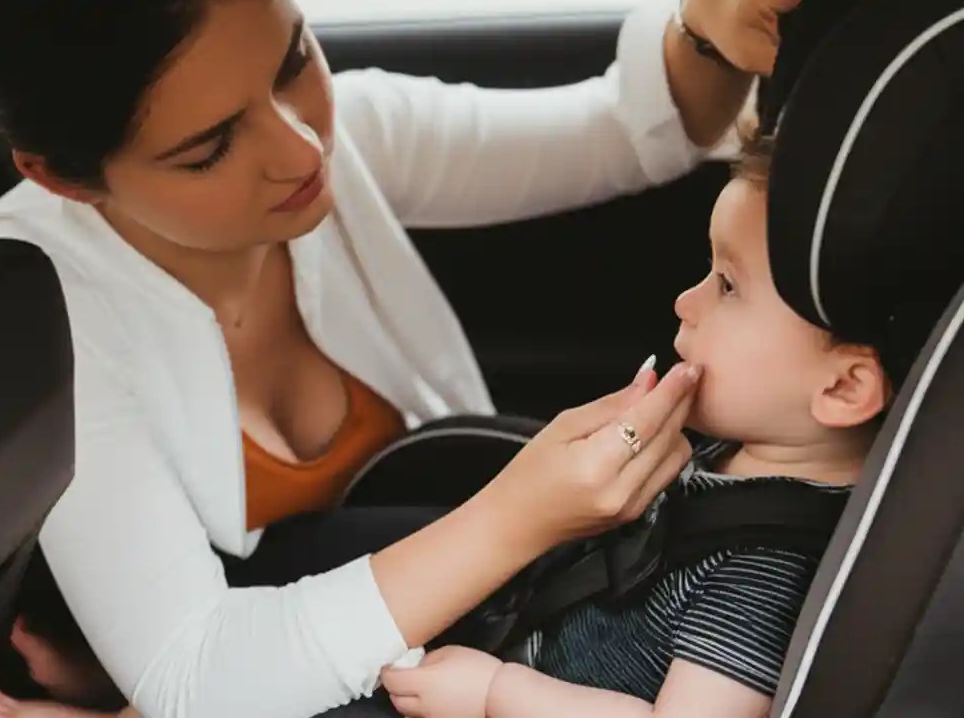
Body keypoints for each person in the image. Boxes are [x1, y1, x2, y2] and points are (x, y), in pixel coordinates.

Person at [0, 0, 804, 715]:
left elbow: (622, 127)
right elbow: (194, 677)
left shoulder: (348, 140)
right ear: (63, 177)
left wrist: (709, 30)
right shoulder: (37, 315)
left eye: (294, 60)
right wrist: (516, 516)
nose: (299, 146)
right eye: (210, 148)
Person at [373, 124, 894, 718]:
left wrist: (495, 695)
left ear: (843, 388)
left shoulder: (768, 572)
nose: (685, 301)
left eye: (727, 286)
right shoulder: (740, 453)